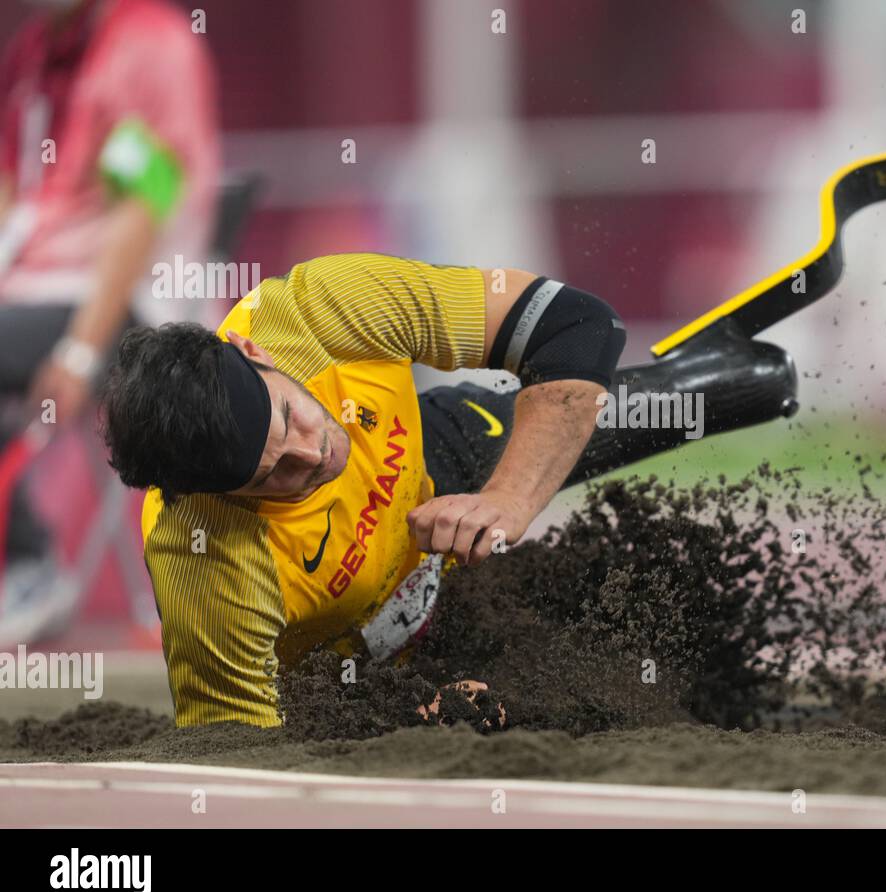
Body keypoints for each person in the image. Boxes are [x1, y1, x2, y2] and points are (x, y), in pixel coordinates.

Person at [100, 253, 628, 727]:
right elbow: (248, 765)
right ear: (216, 498)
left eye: (290, 415)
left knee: (643, 402)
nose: (314, 455)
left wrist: (509, 498)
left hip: (438, 469)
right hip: (370, 671)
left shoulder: (323, 308)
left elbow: (581, 327)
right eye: (273, 475)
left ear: (252, 350)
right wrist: (405, 714)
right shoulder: (208, 577)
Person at [0, 0, 219, 638]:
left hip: (127, 302)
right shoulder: (35, 48)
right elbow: (15, 189)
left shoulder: (149, 45)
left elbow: (144, 206)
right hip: (33, 289)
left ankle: (29, 560)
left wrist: (78, 350)